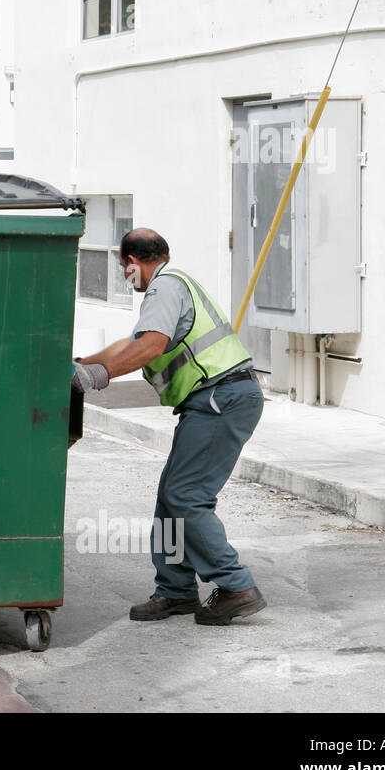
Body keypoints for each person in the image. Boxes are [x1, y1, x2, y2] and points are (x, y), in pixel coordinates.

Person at [71, 227, 267, 626]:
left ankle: (236, 586)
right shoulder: (172, 287)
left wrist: (97, 376)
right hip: (215, 399)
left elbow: (150, 346)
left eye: (124, 269)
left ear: (132, 263)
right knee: (171, 498)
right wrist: (80, 364)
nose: (127, 278)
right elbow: (130, 345)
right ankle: (176, 590)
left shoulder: (164, 287)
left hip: (220, 398)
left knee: (186, 496)